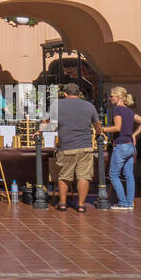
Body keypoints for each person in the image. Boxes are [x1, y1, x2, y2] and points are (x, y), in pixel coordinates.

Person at [41, 81, 102, 213]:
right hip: (86, 146)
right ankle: (80, 205)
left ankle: (62, 203)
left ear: (64, 94)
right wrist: (98, 134)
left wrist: (38, 132)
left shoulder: (57, 105)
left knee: (64, 176)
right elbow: (97, 124)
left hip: (67, 146)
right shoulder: (89, 106)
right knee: (84, 176)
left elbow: (45, 121)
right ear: (78, 93)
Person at [104, 87, 141, 210]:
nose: (110, 98)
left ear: (119, 97)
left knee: (113, 175)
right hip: (131, 146)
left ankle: (123, 202)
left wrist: (102, 129)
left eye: (112, 96)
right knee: (129, 176)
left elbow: (117, 127)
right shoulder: (129, 111)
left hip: (121, 146)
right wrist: (134, 135)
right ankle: (129, 203)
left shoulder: (117, 109)